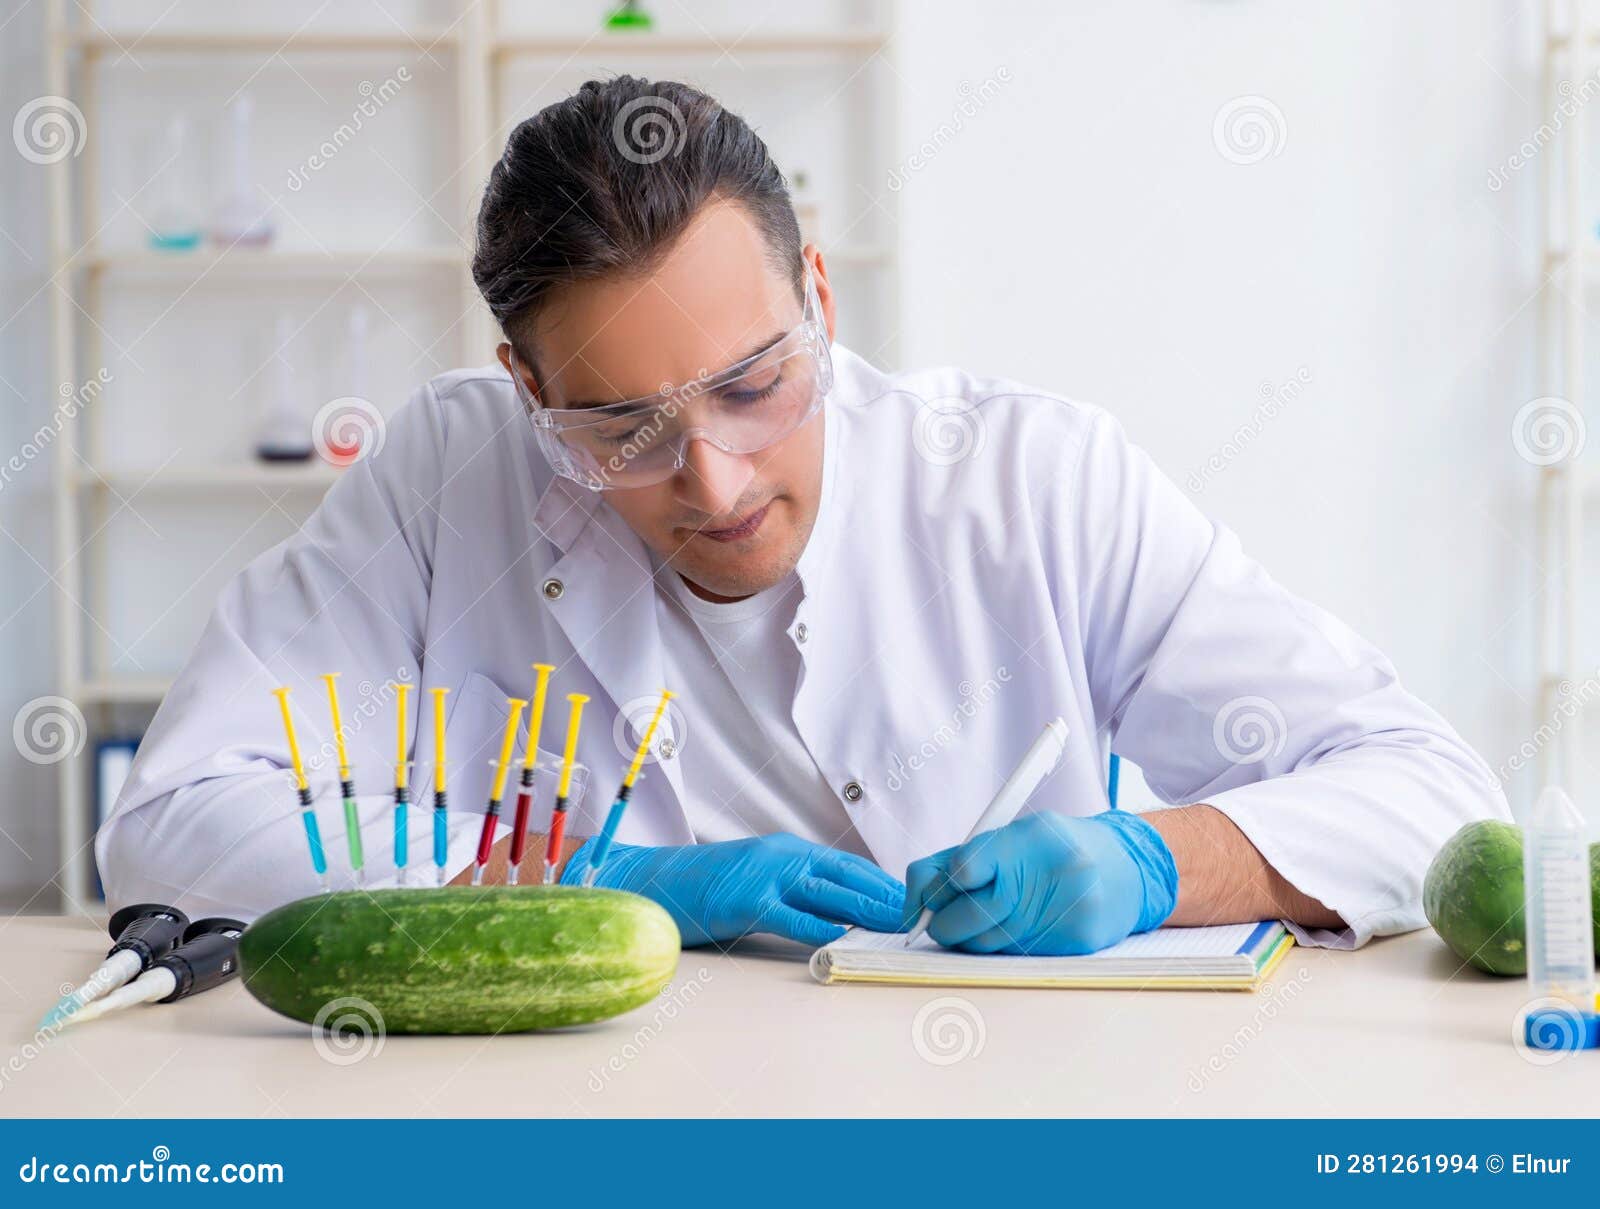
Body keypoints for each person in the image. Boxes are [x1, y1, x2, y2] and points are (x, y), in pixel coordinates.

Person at [98, 76, 1509, 957]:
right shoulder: (449, 472)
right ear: (526, 390)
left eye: (755, 384)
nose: (713, 480)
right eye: (621, 429)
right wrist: (600, 881)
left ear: (820, 301)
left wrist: (1157, 864)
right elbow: (170, 822)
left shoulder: (1031, 480)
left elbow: (1431, 797)